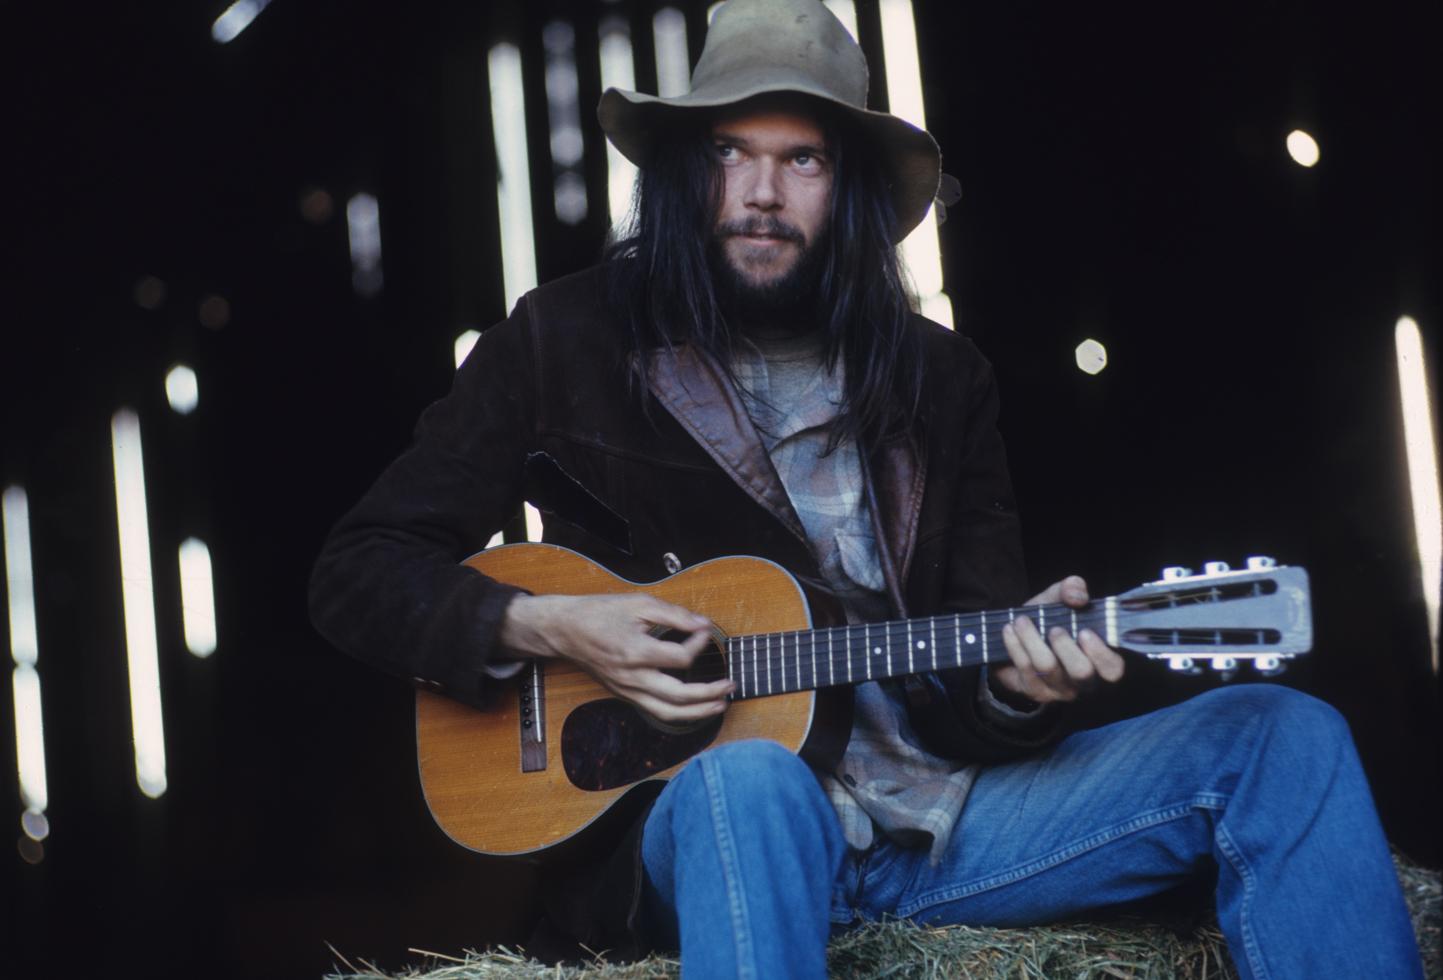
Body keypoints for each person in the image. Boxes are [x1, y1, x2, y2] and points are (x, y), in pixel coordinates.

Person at [309, 1, 1423, 976]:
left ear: (847, 187)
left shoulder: (943, 381)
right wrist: (552, 620)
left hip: (946, 825)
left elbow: (975, 682)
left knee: (1287, 735)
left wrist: (1020, 689)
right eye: (732, 152)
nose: (759, 192)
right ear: (689, 169)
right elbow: (357, 572)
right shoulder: (565, 340)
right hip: (711, 824)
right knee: (748, 781)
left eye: (802, 159)